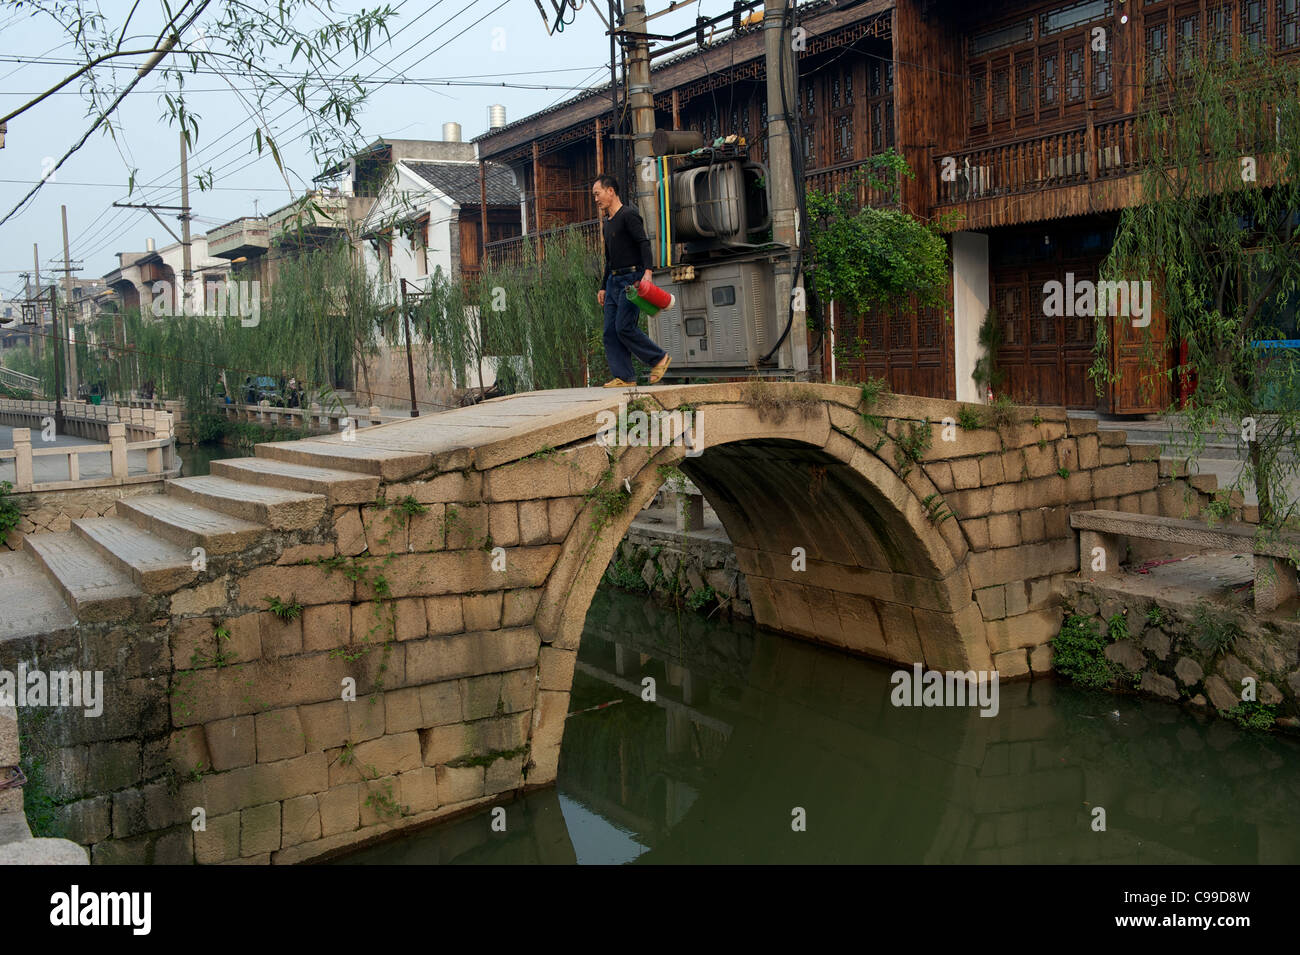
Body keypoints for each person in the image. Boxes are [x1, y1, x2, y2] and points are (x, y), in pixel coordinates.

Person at [593, 175, 672, 388]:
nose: (596, 199)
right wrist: (603, 287)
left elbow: (644, 243)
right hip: (613, 280)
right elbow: (609, 259)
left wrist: (648, 272)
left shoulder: (629, 215)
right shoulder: (607, 224)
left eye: (597, 194)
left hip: (631, 280)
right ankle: (625, 377)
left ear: (610, 191)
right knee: (610, 331)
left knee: (624, 327)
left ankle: (659, 358)